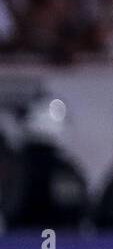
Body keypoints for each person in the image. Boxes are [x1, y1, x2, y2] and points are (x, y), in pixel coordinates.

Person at [0, 96, 91, 232]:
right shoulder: (65, 171)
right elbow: (77, 216)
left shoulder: (14, 166)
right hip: (60, 248)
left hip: (16, 247)